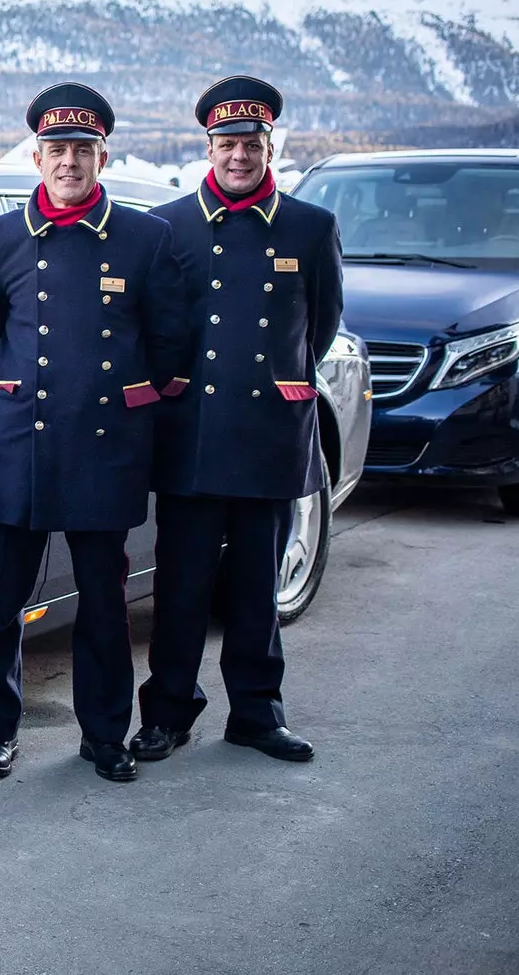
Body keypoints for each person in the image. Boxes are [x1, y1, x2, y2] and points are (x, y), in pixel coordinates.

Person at [0, 83, 189, 782]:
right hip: (18, 450)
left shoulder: (145, 238)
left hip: (103, 449)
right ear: (37, 158)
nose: (69, 163)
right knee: (1, 604)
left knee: (103, 603)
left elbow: (170, 341)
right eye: (57, 150)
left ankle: (103, 735)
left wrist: (123, 397)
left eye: (82, 151)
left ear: (102, 156)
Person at [134, 76, 343, 764]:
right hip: (191, 435)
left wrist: (272, 382)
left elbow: (319, 326)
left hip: (269, 439)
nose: (238, 155)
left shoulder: (311, 228)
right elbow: (158, 325)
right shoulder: (168, 224)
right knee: (182, 587)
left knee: (258, 589)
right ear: (209, 147)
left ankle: (257, 713)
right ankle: (168, 714)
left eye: (251, 143)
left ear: (269, 146)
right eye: (227, 143)